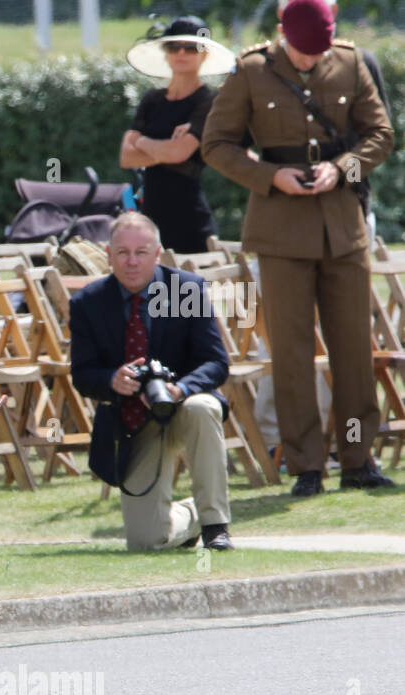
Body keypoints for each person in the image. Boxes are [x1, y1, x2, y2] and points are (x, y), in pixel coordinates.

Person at [201, 0, 395, 496]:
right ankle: (307, 465)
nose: (311, 61)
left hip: (343, 226)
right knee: (291, 352)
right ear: (284, 35)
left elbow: (380, 134)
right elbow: (216, 144)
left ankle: (356, 457)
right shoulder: (249, 70)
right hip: (281, 228)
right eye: (303, 53)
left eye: (318, 53)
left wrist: (343, 169)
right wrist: (271, 177)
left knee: (354, 349)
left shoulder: (350, 62)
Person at [68, 212, 234, 551]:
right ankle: (191, 516)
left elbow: (216, 362)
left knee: (204, 406)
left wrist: (181, 389)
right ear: (107, 253)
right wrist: (111, 380)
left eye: (141, 252)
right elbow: (82, 375)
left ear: (157, 253)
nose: (131, 262)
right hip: (132, 420)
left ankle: (216, 525)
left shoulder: (185, 288)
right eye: (122, 252)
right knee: (146, 542)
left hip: (184, 407)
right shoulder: (87, 303)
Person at [121, 16, 235, 254]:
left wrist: (141, 142)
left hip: (190, 219)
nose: (182, 53)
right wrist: (166, 150)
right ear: (166, 52)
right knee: (153, 289)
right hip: (150, 217)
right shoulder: (151, 99)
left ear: (204, 54)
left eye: (192, 47)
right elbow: (126, 157)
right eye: (174, 46)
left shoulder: (208, 101)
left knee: (193, 290)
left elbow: (179, 153)